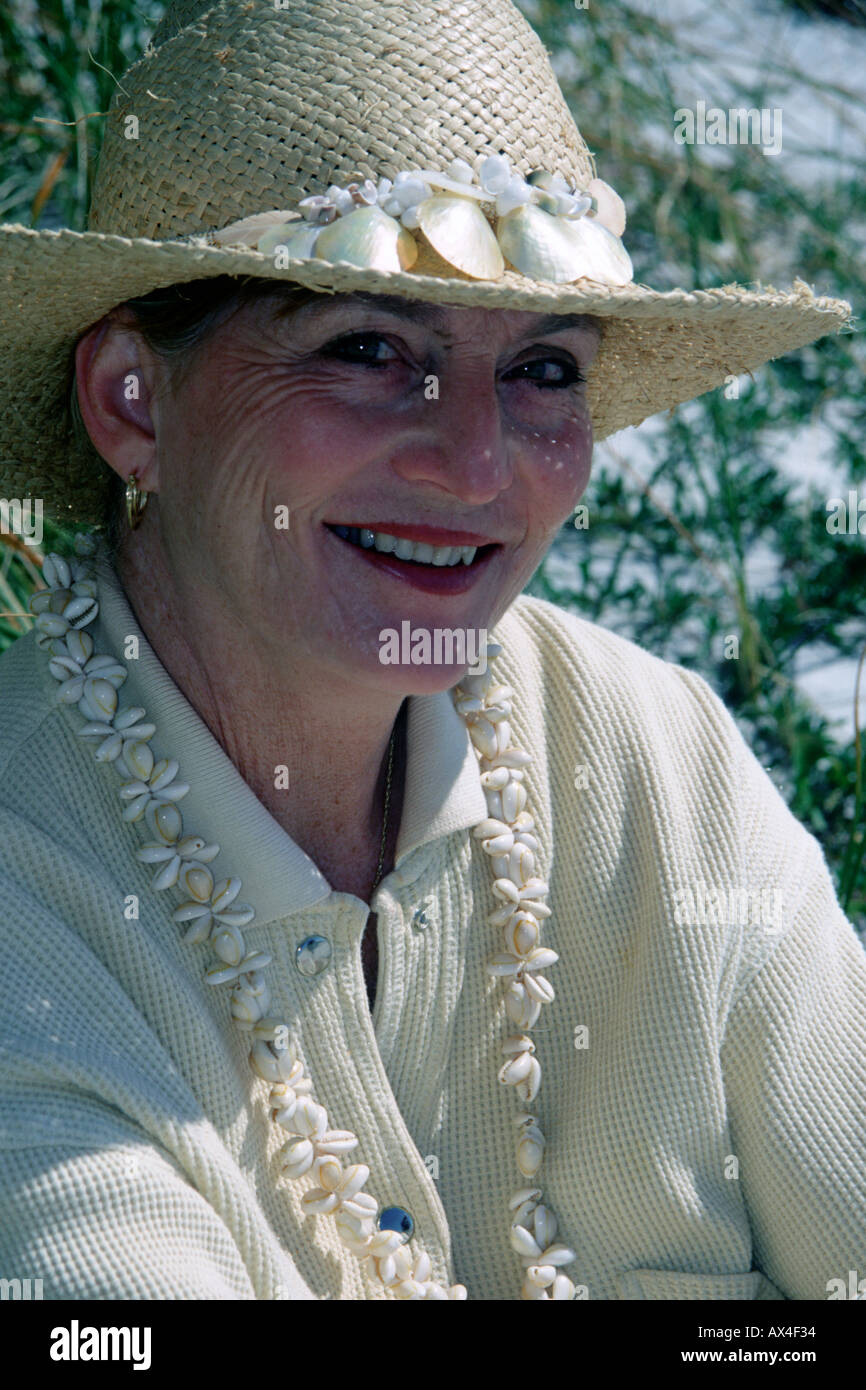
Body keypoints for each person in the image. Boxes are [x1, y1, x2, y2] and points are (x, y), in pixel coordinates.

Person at [0, 0, 862, 1303]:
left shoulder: (652, 753)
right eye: (364, 347)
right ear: (134, 399)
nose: (474, 464)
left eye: (543, 370)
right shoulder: (31, 912)